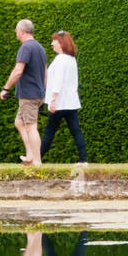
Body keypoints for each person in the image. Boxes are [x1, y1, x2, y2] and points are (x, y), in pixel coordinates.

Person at [0, 19, 46, 166]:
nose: (16, 33)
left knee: (31, 126)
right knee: (19, 122)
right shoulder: (40, 48)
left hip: (28, 95)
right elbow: (45, 72)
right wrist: (43, 91)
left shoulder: (26, 47)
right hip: (37, 93)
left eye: (16, 31)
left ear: (22, 31)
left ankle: (37, 162)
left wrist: (6, 88)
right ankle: (30, 155)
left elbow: (18, 70)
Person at [41, 30, 87, 164]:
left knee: (49, 133)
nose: (52, 43)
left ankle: (37, 159)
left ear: (60, 43)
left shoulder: (60, 59)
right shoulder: (71, 59)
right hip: (71, 102)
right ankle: (83, 160)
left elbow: (58, 81)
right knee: (76, 130)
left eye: (54, 41)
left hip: (59, 103)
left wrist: (53, 100)